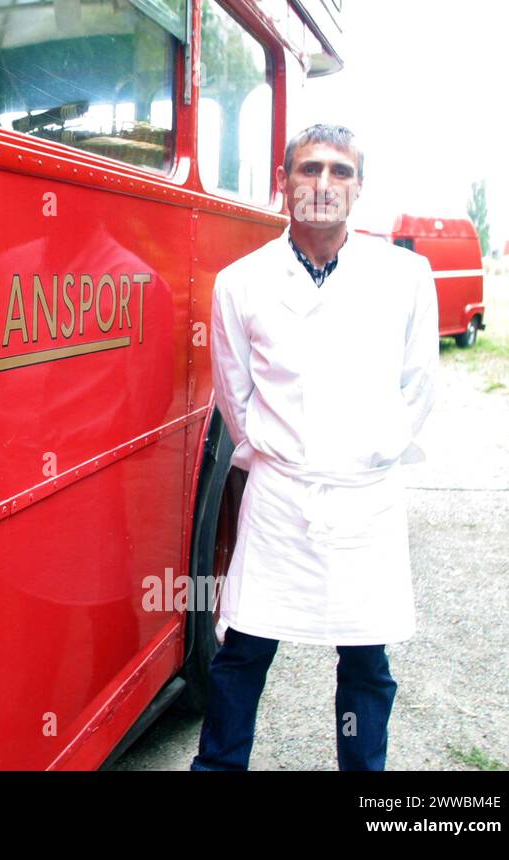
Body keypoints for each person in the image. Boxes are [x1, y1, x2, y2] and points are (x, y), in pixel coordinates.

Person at [191, 124, 439, 771]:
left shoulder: (406, 277)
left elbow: (417, 390)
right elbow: (235, 398)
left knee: (365, 661)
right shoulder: (239, 283)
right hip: (280, 498)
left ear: (359, 188)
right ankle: (218, 767)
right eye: (308, 170)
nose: (323, 185)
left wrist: (366, 454)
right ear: (283, 183)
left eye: (339, 172)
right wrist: (289, 456)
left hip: (365, 502)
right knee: (242, 651)